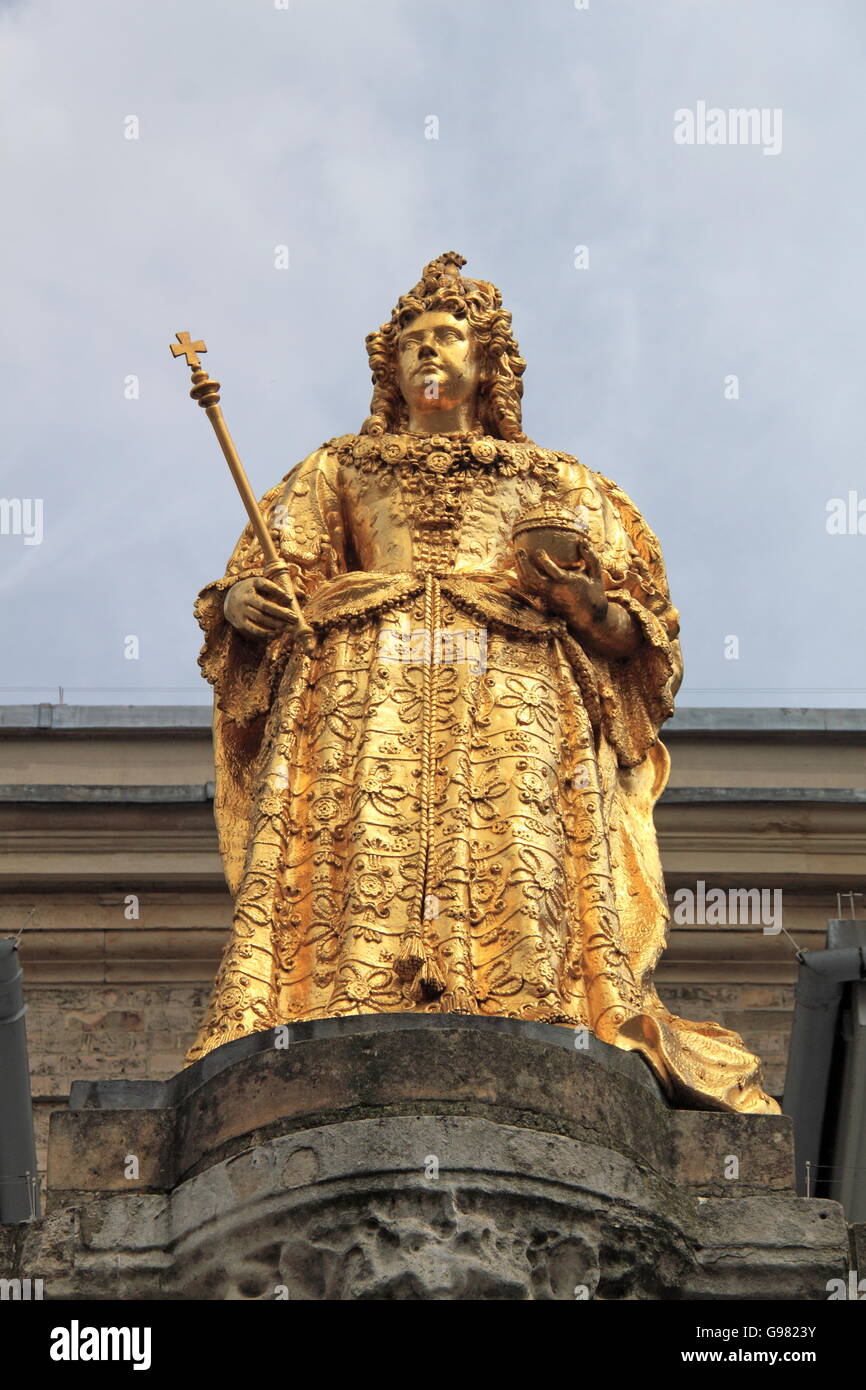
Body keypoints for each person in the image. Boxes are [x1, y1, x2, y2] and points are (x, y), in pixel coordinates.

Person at [187, 251, 778, 1116]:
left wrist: (582, 602)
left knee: (519, 832)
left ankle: (537, 1003)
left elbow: (641, 631)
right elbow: (260, 579)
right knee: (358, 829)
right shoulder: (339, 466)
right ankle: (337, 1001)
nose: (430, 352)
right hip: (363, 676)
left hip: (515, 680)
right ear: (389, 367)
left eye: (450, 337)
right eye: (414, 340)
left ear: (486, 361)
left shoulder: (558, 481)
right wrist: (248, 601)